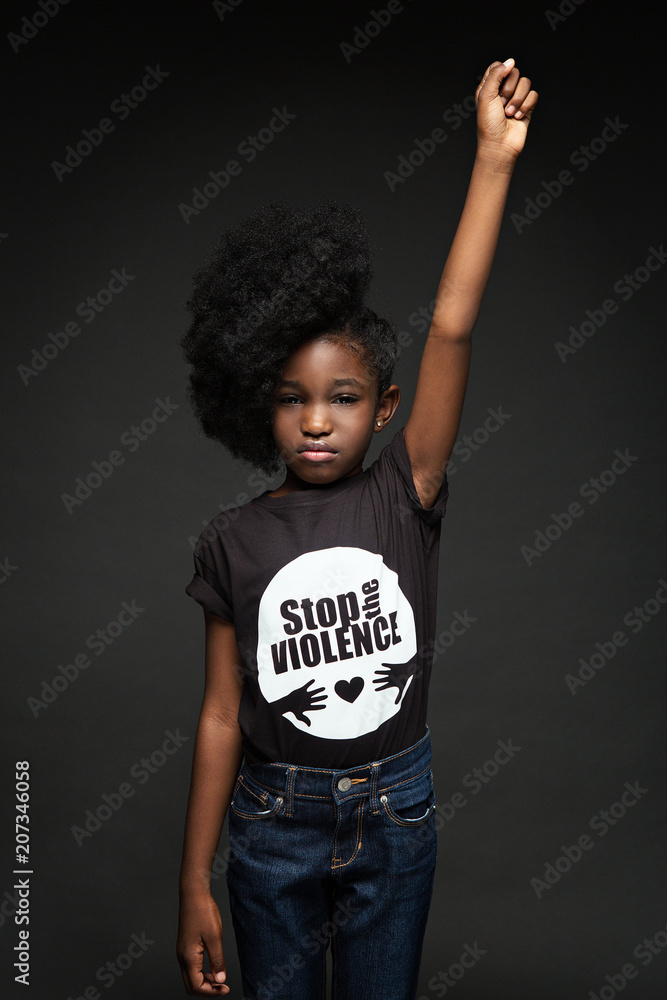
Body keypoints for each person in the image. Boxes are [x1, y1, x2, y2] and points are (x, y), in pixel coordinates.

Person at [176, 57, 538, 1000]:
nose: (316, 420)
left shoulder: (403, 490)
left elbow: (450, 328)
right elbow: (221, 714)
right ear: (258, 406)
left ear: (383, 409)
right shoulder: (230, 541)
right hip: (271, 822)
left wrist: (492, 158)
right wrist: (193, 880)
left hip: (396, 815)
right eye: (291, 400)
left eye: (341, 397)